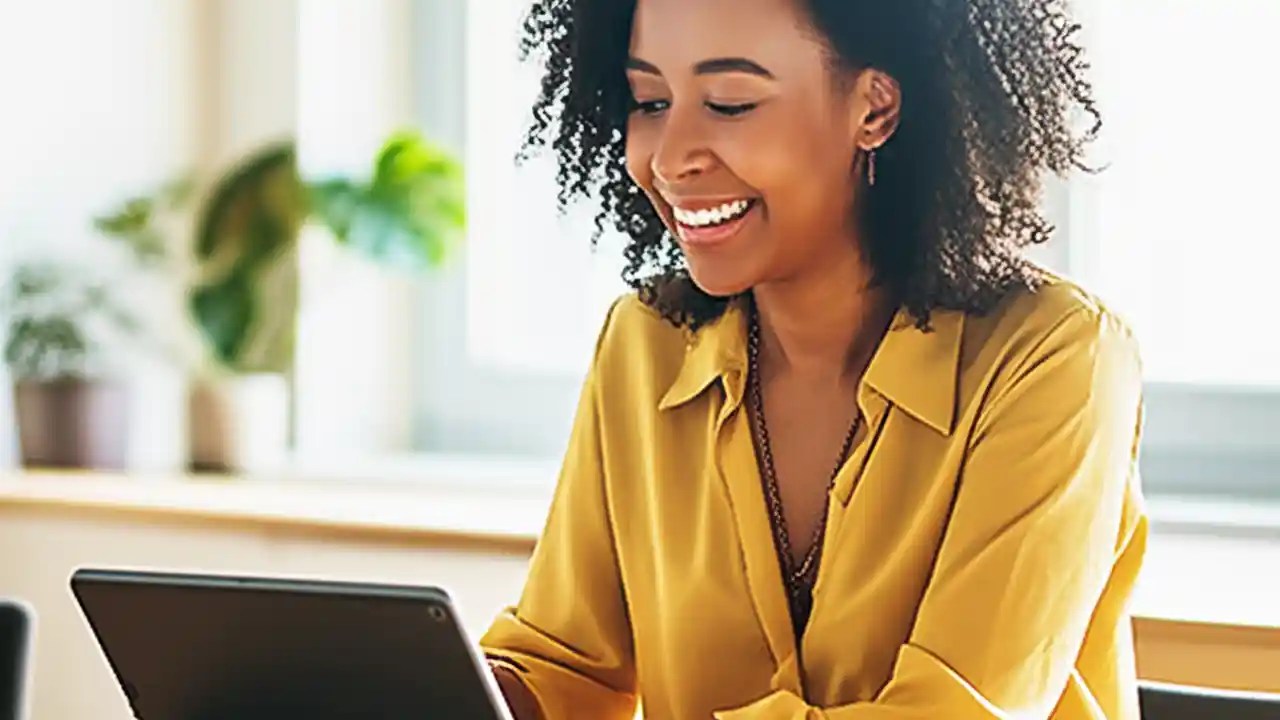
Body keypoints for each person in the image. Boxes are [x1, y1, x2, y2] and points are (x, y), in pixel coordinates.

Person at [480, 0, 1146, 717]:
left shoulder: (1055, 359)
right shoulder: (645, 346)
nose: (671, 158)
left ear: (874, 109)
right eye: (650, 101)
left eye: (729, 104)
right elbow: (566, 669)